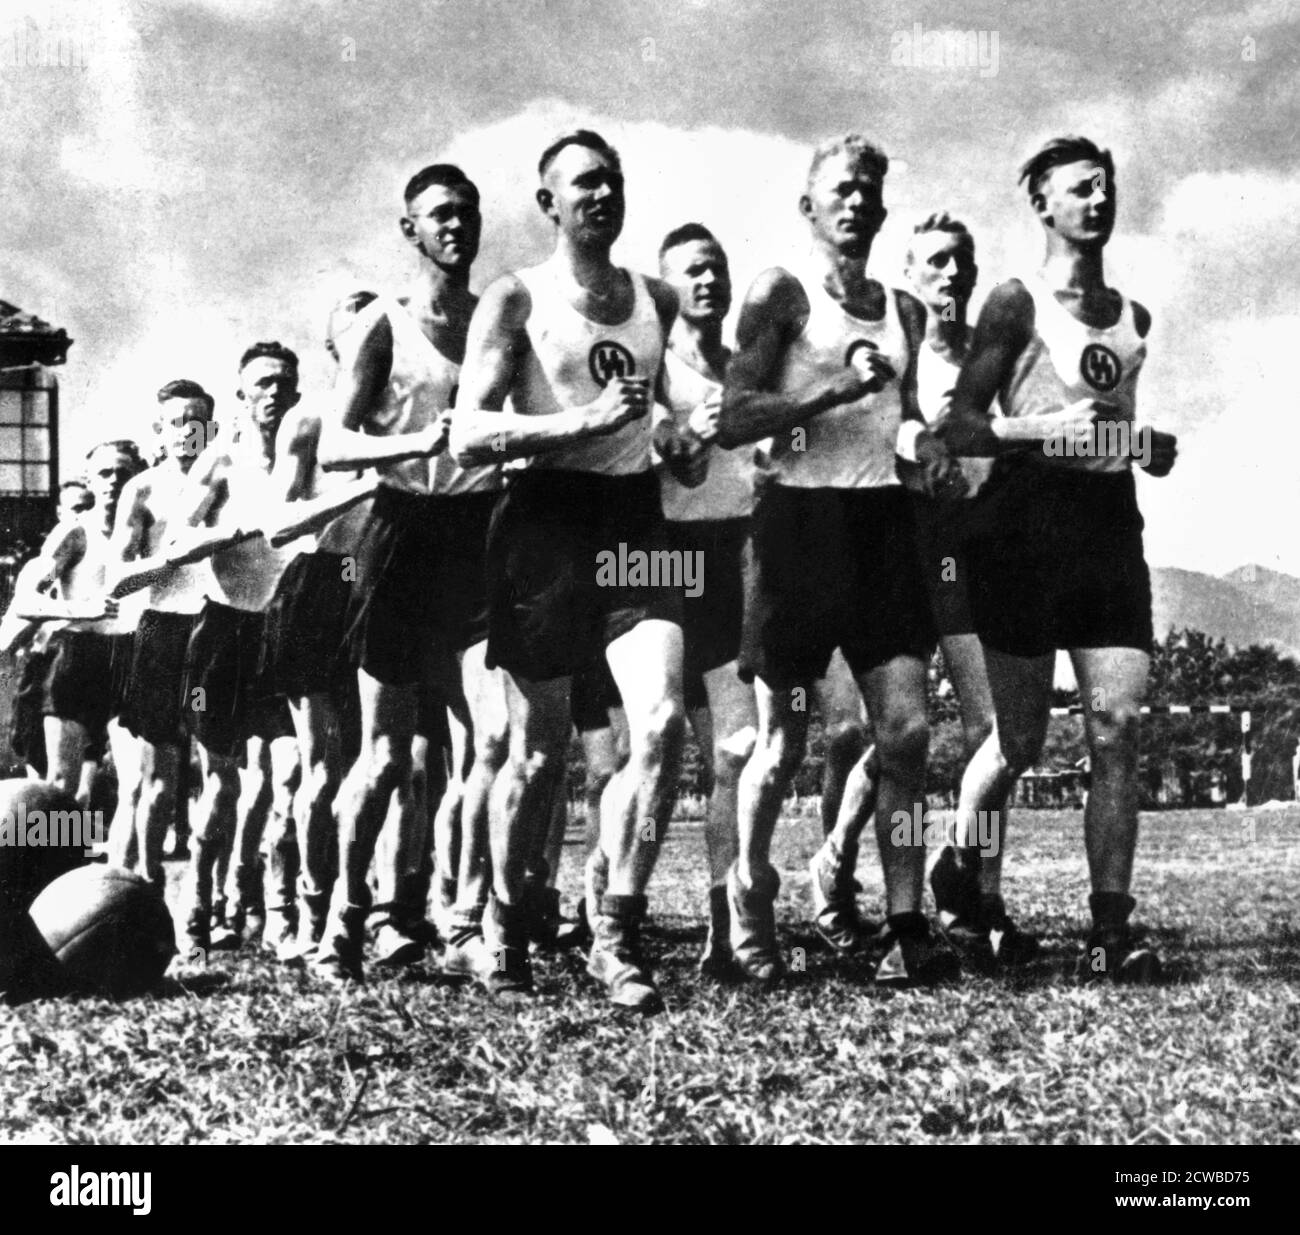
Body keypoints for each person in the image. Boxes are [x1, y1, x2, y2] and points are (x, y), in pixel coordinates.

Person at [451, 129, 702, 1011]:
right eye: (584, 184)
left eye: (614, 181)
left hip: (632, 518)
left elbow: (669, 409)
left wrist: (675, 431)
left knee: (664, 722)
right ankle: (504, 923)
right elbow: (469, 433)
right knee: (538, 753)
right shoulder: (516, 298)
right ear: (549, 204)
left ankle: (615, 931)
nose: (603, 194)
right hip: (543, 522)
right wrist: (581, 422)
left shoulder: (657, 299)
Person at [717, 134, 964, 989]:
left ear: (881, 208)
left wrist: (923, 443)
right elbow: (732, 415)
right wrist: (830, 390)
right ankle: (748, 900)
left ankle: (903, 922)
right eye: (840, 192)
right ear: (809, 207)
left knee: (905, 732)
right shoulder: (780, 294)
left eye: (868, 192)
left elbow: (898, 418)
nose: (856, 203)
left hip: (880, 530)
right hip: (793, 531)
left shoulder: (905, 308)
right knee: (782, 740)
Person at [938, 135, 1177, 982]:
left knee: (1117, 725)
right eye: (1080, 188)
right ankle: (958, 856)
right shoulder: (1015, 302)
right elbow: (960, 427)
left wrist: (1145, 445)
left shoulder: (1133, 316)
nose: (1098, 199)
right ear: (1042, 204)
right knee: (1021, 737)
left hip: (1108, 523)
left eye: (1106, 185)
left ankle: (1112, 930)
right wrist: (1043, 429)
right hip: (1022, 522)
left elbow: (1113, 427)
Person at [311, 163, 508, 985]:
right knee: (387, 755)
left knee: (493, 737)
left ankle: (464, 921)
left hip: (478, 536)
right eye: (438, 215)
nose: (455, 226)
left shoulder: (502, 316)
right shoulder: (384, 327)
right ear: (411, 231)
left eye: (465, 212)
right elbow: (333, 444)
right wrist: (418, 441)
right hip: (400, 537)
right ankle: (341, 924)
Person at [653, 222, 757, 976]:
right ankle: (608, 916)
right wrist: (691, 428)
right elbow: (678, 465)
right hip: (655, 565)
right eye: (692, 270)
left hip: (734, 562)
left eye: (717, 267)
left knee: (738, 750)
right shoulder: (653, 366)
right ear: (665, 286)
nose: (709, 280)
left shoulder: (748, 368)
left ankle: (732, 924)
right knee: (639, 757)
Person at [106, 381, 219, 889]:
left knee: (222, 776)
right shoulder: (144, 489)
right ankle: (145, 890)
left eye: (198, 423)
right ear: (160, 430)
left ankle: (214, 900)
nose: (188, 433)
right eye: (178, 422)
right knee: (157, 780)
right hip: (161, 632)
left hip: (220, 626)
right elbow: (117, 578)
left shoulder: (232, 478)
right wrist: (171, 557)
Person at [24, 441, 145, 811]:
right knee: (62, 788)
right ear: (90, 478)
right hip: (78, 655)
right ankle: (50, 866)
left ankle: (127, 868)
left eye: (123, 472)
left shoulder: (148, 532)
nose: (113, 481)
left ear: (137, 476)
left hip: (130, 655)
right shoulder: (76, 534)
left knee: (136, 784)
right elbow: (26, 601)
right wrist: (82, 609)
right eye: (105, 472)